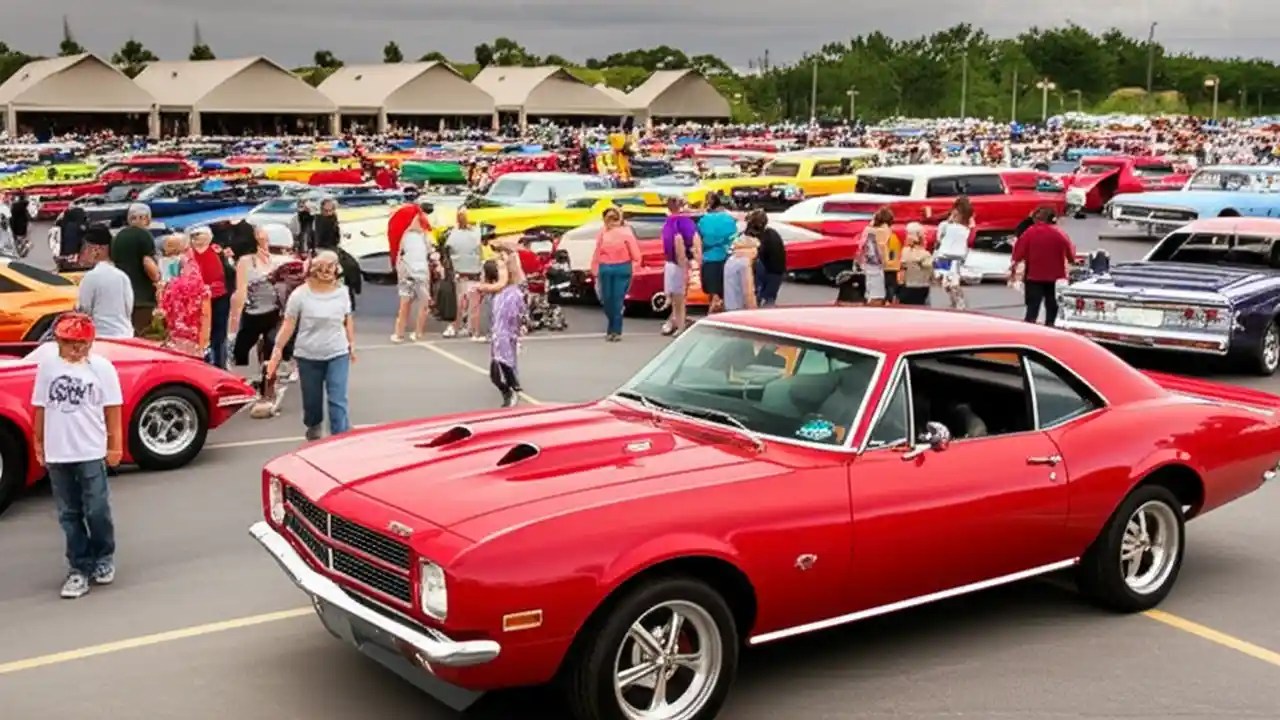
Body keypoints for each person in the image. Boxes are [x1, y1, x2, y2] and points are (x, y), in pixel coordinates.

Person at [31, 313, 123, 599]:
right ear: (58, 342)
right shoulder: (47, 368)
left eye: (83, 344)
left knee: (96, 508)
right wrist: (39, 442)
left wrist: (114, 445)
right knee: (69, 513)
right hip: (59, 452)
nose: (77, 350)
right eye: (71, 344)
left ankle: (103, 555)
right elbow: (41, 407)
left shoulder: (102, 369)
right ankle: (78, 567)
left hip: (91, 449)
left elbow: (112, 409)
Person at [266, 250, 355, 441]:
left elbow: (347, 319)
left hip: (337, 352)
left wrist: (351, 345)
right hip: (308, 355)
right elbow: (289, 324)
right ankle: (313, 426)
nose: (327, 273)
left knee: (337, 399)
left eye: (331, 268)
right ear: (314, 270)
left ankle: (340, 439)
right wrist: (277, 351)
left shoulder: (342, 293)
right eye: (323, 268)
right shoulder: (300, 295)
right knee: (312, 401)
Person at [477, 240, 526, 407]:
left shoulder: (505, 264)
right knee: (501, 352)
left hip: (507, 309)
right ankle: (510, 386)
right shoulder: (505, 262)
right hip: (506, 310)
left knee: (502, 347)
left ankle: (512, 387)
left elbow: (501, 283)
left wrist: (480, 287)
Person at [228, 226, 283, 377]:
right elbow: (241, 291)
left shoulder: (273, 259)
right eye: (261, 239)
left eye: (266, 239)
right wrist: (235, 321)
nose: (265, 242)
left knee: (271, 348)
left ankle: (268, 384)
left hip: (273, 311)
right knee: (241, 350)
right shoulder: (246, 261)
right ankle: (241, 379)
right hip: (253, 313)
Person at [1011, 206, 1075, 326]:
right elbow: (1070, 254)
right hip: (1055, 277)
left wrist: (1014, 270)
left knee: (1032, 309)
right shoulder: (1060, 234)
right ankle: (1050, 328)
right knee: (1052, 307)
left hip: (1034, 277)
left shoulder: (1029, 233)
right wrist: (1071, 261)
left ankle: (1030, 330)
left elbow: (1017, 254)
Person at [590, 206, 642, 341]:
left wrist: (633, 269)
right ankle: (611, 324)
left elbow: (636, 255)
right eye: (609, 219)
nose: (612, 222)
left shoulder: (626, 233)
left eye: (615, 219)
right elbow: (597, 251)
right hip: (605, 268)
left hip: (622, 269)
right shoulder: (602, 233)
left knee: (617, 300)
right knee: (606, 299)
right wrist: (594, 269)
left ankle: (615, 330)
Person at [110, 203, 162, 335]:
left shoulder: (117, 237)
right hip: (142, 298)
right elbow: (147, 262)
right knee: (143, 335)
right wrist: (158, 279)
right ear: (145, 218)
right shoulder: (144, 235)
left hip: (121, 296)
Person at [75, 231, 134, 338]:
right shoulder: (122, 276)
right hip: (125, 335)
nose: (83, 254)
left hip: (100, 336)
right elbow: (129, 308)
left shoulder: (90, 277)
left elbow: (84, 309)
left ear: (96, 250)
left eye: (85, 249)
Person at [188, 225, 232, 367]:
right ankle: (203, 362)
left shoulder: (217, 251)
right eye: (194, 235)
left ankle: (220, 364)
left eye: (199, 234)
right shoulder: (188, 254)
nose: (196, 238)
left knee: (219, 333)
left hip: (219, 296)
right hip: (198, 298)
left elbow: (229, 272)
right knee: (201, 332)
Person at [388, 203, 432, 342]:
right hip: (418, 272)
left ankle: (400, 333)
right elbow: (430, 252)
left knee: (406, 303)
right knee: (421, 303)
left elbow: (398, 256)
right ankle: (415, 333)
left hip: (411, 272)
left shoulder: (406, 236)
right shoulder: (422, 236)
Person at [158, 246, 212, 357]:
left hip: (173, 340)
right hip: (194, 342)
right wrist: (204, 343)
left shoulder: (169, 288)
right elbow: (205, 316)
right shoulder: (202, 290)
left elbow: (162, 312)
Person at [442, 208, 484, 339]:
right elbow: (480, 249)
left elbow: (448, 249)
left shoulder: (453, 235)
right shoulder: (476, 234)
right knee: (474, 304)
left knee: (461, 302)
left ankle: (457, 326)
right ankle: (474, 331)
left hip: (460, 272)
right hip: (475, 272)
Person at [659, 196, 698, 335]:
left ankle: (678, 324)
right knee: (677, 297)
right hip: (676, 263)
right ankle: (677, 323)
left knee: (678, 298)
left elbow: (681, 243)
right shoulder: (682, 222)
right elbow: (691, 242)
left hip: (675, 262)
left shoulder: (674, 223)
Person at [695, 193, 736, 311]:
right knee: (723, 294)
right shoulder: (729, 219)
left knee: (713, 295)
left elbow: (699, 240)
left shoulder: (703, 220)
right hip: (726, 260)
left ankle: (711, 317)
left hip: (709, 261)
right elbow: (733, 239)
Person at [934, 198, 975, 309]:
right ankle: (954, 301)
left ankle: (960, 304)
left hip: (956, 258)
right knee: (945, 284)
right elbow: (938, 240)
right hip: (943, 256)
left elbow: (970, 241)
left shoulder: (967, 228)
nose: (956, 215)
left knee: (954, 284)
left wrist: (972, 226)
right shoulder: (944, 225)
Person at [746, 209, 786, 306]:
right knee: (769, 298)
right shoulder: (772, 233)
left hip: (770, 271)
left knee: (762, 299)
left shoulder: (765, 237)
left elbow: (756, 254)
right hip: (776, 271)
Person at [859, 207, 894, 305]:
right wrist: (886, 262)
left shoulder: (867, 230)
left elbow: (861, 246)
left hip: (866, 264)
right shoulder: (883, 231)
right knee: (877, 296)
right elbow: (882, 247)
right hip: (877, 266)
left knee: (869, 293)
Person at [898, 222, 934, 306]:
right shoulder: (925, 255)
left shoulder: (904, 252)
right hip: (921, 289)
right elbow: (932, 273)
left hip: (906, 289)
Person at [722, 236, 759, 311]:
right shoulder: (744, 263)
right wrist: (753, 309)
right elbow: (748, 291)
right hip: (740, 307)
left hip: (729, 305)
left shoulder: (730, 260)